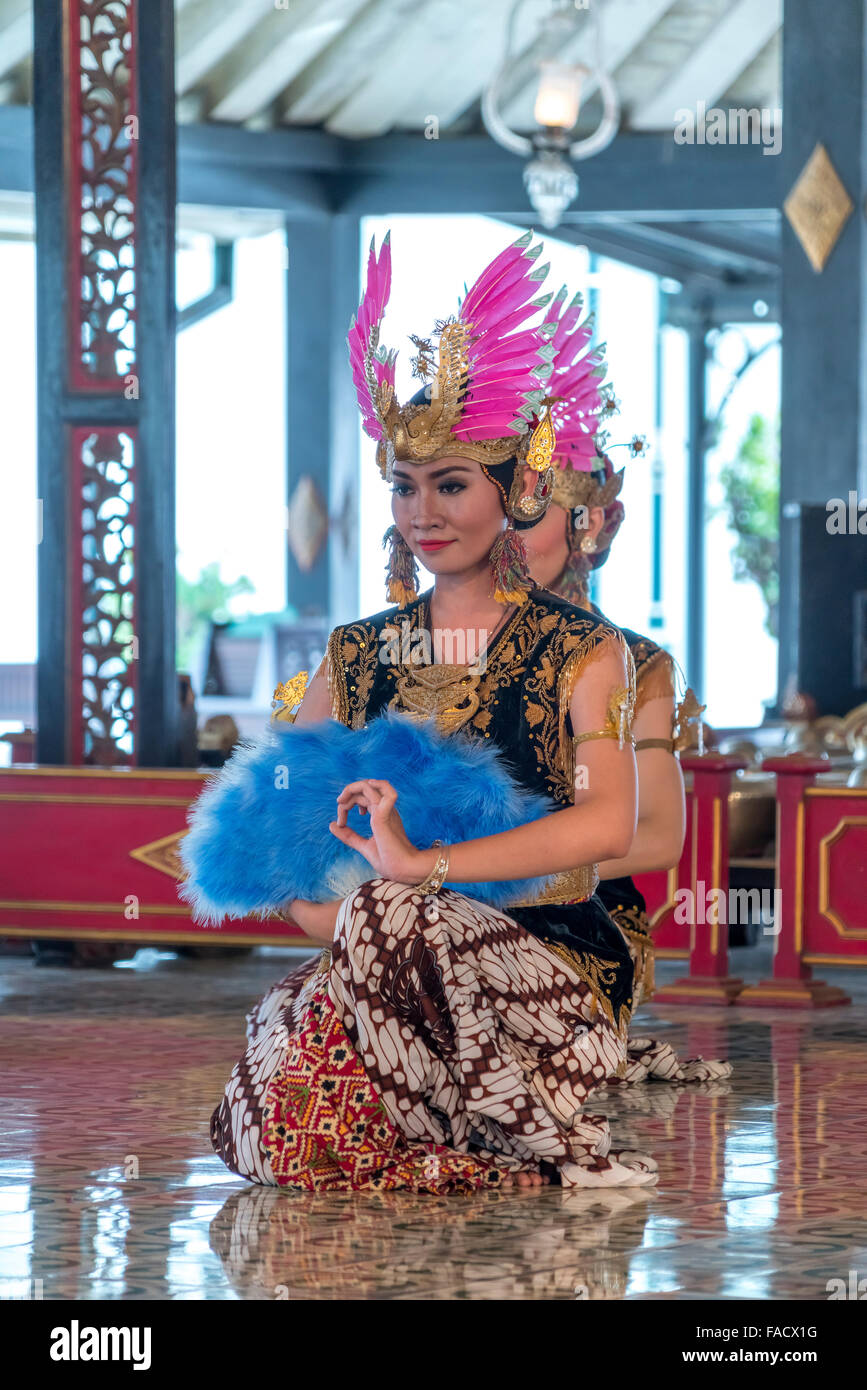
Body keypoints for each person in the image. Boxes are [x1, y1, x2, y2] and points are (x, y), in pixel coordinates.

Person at [208, 231, 660, 1193]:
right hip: (380, 964)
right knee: (276, 1109)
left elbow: (612, 825)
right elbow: (271, 833)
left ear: (516, 492)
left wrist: (425, 872)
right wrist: (355, 918)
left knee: (394, 914)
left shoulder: (583, 650)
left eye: (451, 485)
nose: (423, 512)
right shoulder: (356, 653)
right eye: (404, 487)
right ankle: (477, 1140)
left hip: (548, 970)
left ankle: (557, 1143)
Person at [522, 363, 730, 1084]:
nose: (503, 536)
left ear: (591, 523)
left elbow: (659, 836)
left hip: (577, 920)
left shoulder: (637, 664)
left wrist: (490, 878)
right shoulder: (418, 649)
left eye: (530, 512)